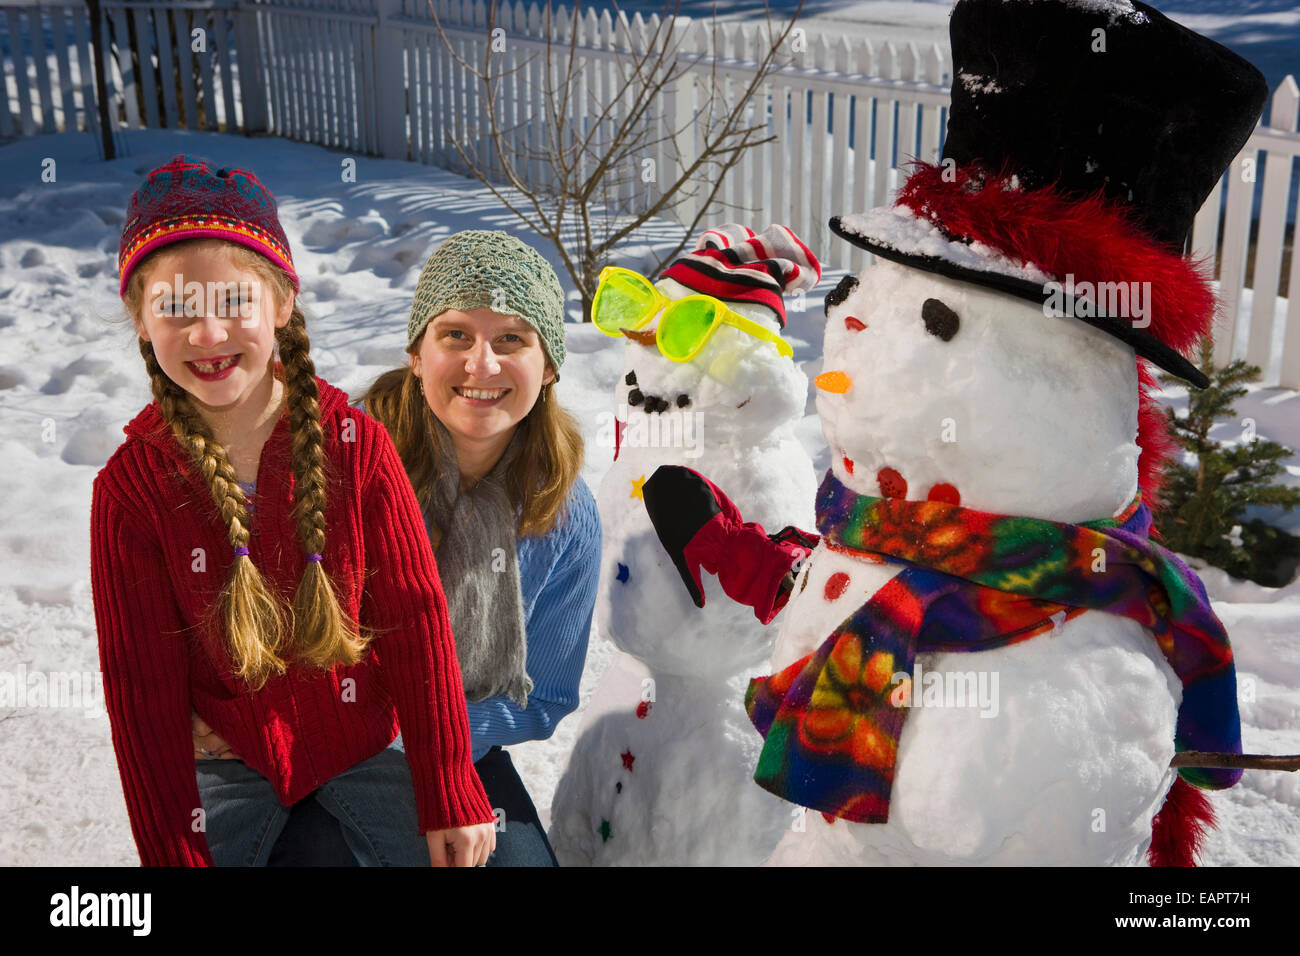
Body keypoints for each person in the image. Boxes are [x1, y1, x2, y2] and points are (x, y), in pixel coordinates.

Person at [91, 156, 496, 867]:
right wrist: (172, 855)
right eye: (176, 308)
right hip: (224, 766)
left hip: (360, 748)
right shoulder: (133, 488)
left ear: (280, 303)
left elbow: (416, 622)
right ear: (141, 319)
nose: (207, 335)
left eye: (234, 304)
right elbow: (141, 692)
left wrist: (448, 787)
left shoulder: (355, 445)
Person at [199, 230, 602, 866]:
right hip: (297, 733)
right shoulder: (334, 458)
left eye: (513, 340)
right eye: (456, 335)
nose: (482, 364)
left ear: (548, 365)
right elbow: (250, 616)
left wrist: (432, 732)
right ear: (417, 354)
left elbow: (543, 697)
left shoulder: (563, 512)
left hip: (451, 749)